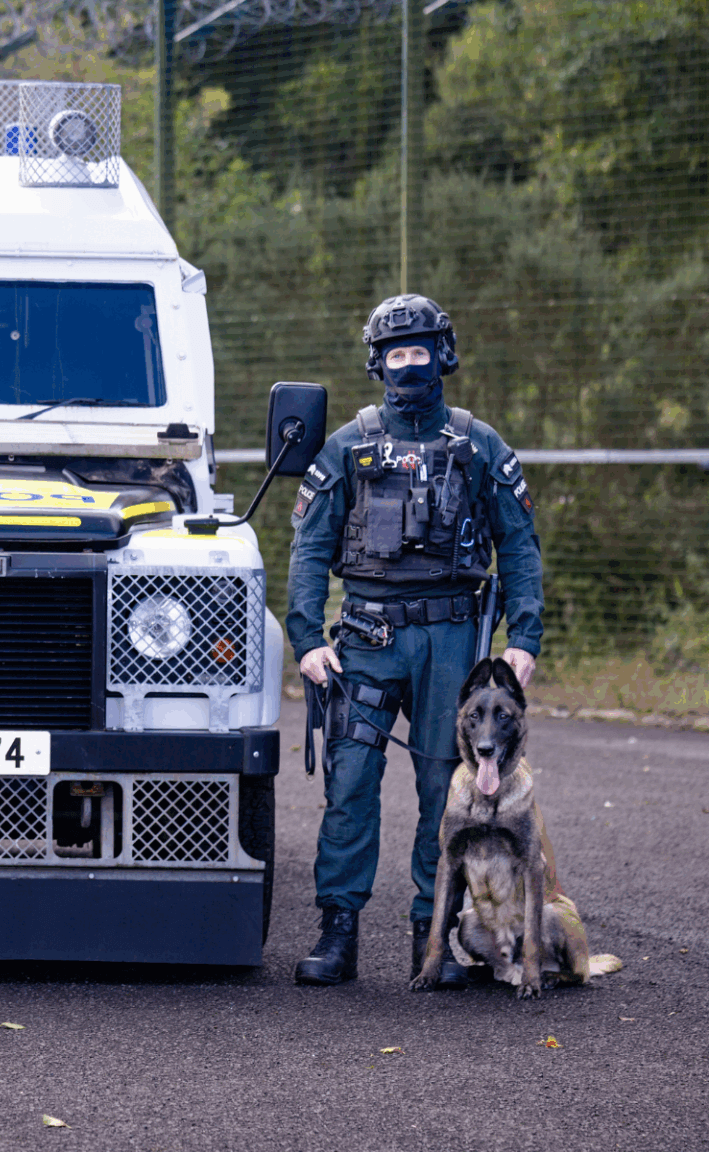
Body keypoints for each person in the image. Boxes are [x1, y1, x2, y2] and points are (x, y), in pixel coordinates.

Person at [285, 293, 543, 988]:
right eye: (395, 353)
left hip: (455, 643)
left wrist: (525, 637)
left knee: (446, 788)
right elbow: (309, 549)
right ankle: (338, 935)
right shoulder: (348, 446)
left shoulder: (479, 445)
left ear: (443, 355)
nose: (408, 364)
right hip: (366, 639)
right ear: (378, 363)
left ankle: (435, 939)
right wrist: (307, 638)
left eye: (419, 350)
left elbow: (519, 546)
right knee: (351, 785)